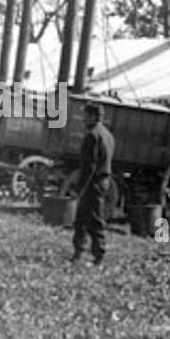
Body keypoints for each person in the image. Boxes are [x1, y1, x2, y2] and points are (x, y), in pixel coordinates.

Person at [71, 102, 115, 266]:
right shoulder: (108, 135)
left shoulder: (92, 135)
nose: (83, 118)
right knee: (84, 218)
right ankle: (79, 253)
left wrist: (80, 189)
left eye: (85, 115)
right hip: (102, 181)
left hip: (93, 183)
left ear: (93, 117)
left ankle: (98, 256)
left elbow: (89, 166)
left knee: (93, 219)